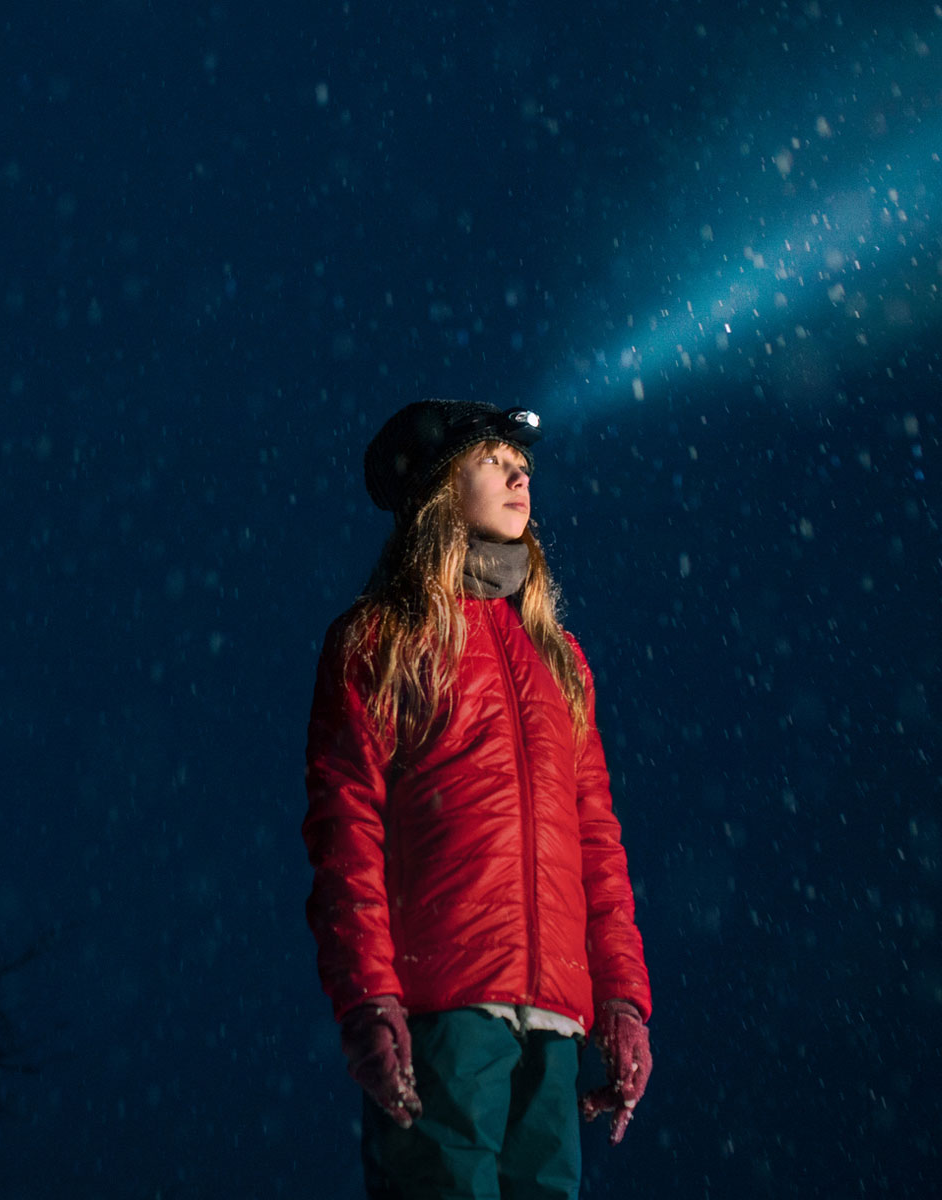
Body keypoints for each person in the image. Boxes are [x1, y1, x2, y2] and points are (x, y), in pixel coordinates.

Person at [301, 399, 655, 1199]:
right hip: (442, 1009)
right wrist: (369, 999)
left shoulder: (560, 660)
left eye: (520, 463)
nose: (518, 475)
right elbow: (346, 832)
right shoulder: (381, 640)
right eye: (492, 461)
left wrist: (623, 1001)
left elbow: (597, 841)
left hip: (555, 1022)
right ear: (436, 489)